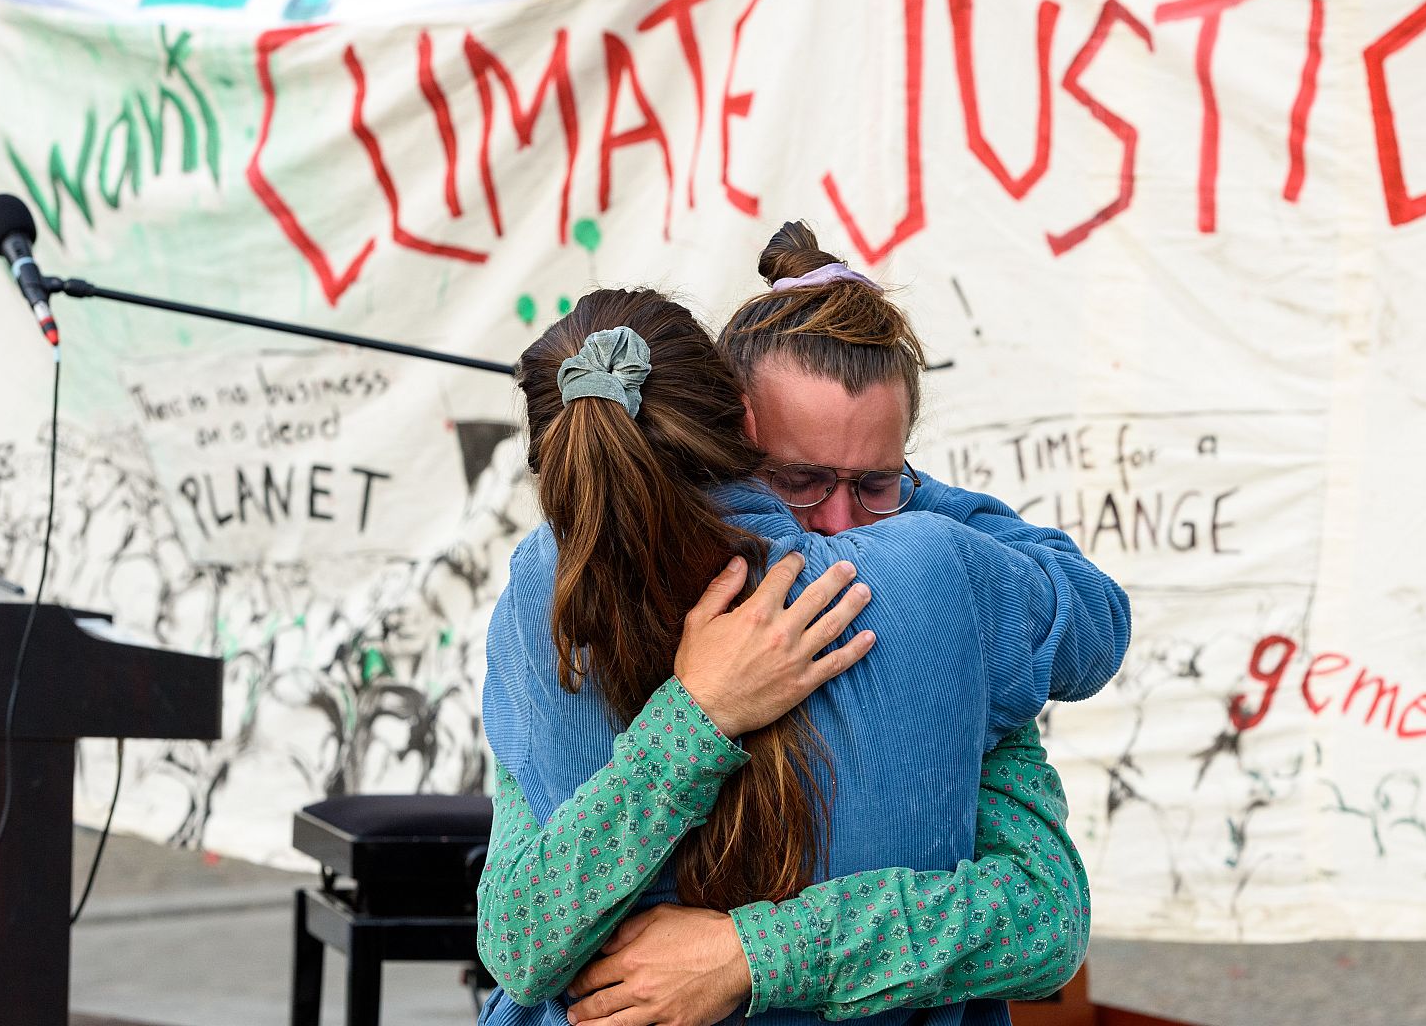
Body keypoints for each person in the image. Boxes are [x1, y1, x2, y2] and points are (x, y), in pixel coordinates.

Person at [477, 243, 1130, 1026]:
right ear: (730, 434)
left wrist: (749, 954)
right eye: (799, 479)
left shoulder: (552, 580)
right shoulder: (952, 581)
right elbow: (1044, 914)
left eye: (877, 482)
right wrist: (697, 716)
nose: (841, 523)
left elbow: (519, 948)